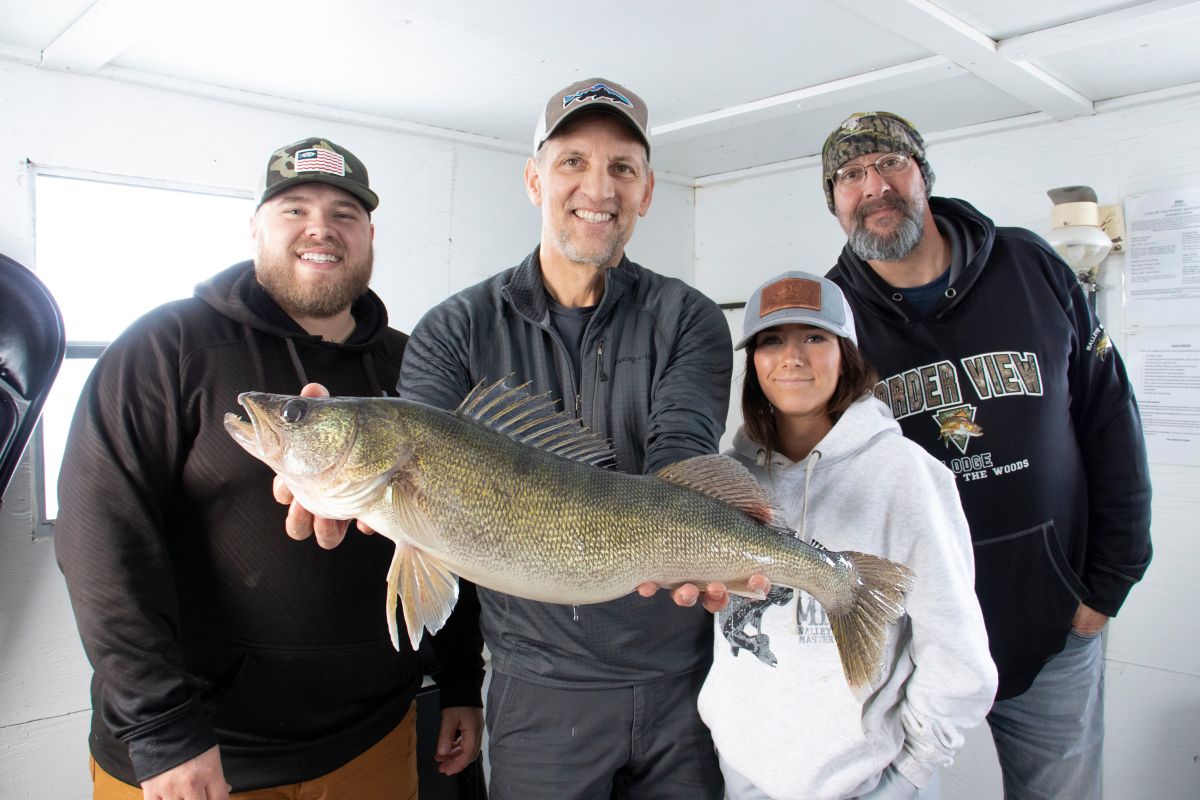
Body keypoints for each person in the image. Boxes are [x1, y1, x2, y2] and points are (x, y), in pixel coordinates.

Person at [280, 78, 734, 799]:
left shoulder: (691, 318)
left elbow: (683, 451)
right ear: (533, 179)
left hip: (684, 680)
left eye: (622, 167)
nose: (599, 186)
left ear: (647, 191)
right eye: (572, 162)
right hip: (539, 691)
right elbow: (420, 470)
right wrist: (336, 484)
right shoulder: (454, 330)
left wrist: (714, 543)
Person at [54, 137, 484, 800]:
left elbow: (453, 532)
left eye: (344, 212)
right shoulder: (164, 350)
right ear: (255, 226)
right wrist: (164, 731)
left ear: (369, 234)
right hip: (205, 757)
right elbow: (99, 544)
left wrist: (458, 682)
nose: (321, 227)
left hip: (373, 737)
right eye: (294, 208)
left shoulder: (416, 368)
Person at [820, 112, 1153, 799]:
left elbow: (1110, 424)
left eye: (890, 165)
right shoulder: (833, 319)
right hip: (908, 645)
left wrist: (1105, 586)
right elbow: (823, 478)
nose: (873, 186)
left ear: (924, 176)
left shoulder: (1030, 266)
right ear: (834, 203)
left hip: (1051, 628)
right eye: (850, 176)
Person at [696, 270, 996, 800]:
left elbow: (958, 658)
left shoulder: (909, 477)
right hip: (745, 778)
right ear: (754, 364)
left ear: (847, 354)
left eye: (815, 337)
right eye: (771, 340)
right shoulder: (725, 480)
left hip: (870, 784)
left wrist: (909, 775)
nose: (793, 357)